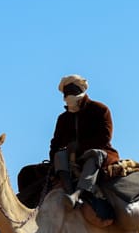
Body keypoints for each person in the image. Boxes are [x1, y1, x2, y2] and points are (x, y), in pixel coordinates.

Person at [49, 74, 119, 208]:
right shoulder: (63, 119)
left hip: (99, 153)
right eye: (66, 94)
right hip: (71, 159)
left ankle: (78, 194)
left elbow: (105, 137)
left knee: (94, 155)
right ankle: (68, 190)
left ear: (81, 92)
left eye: (72, 93)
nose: (69, 97)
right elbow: (55, 143)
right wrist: (54, 159)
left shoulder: (100, 110)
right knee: (59, 155)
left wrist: (80, 146)